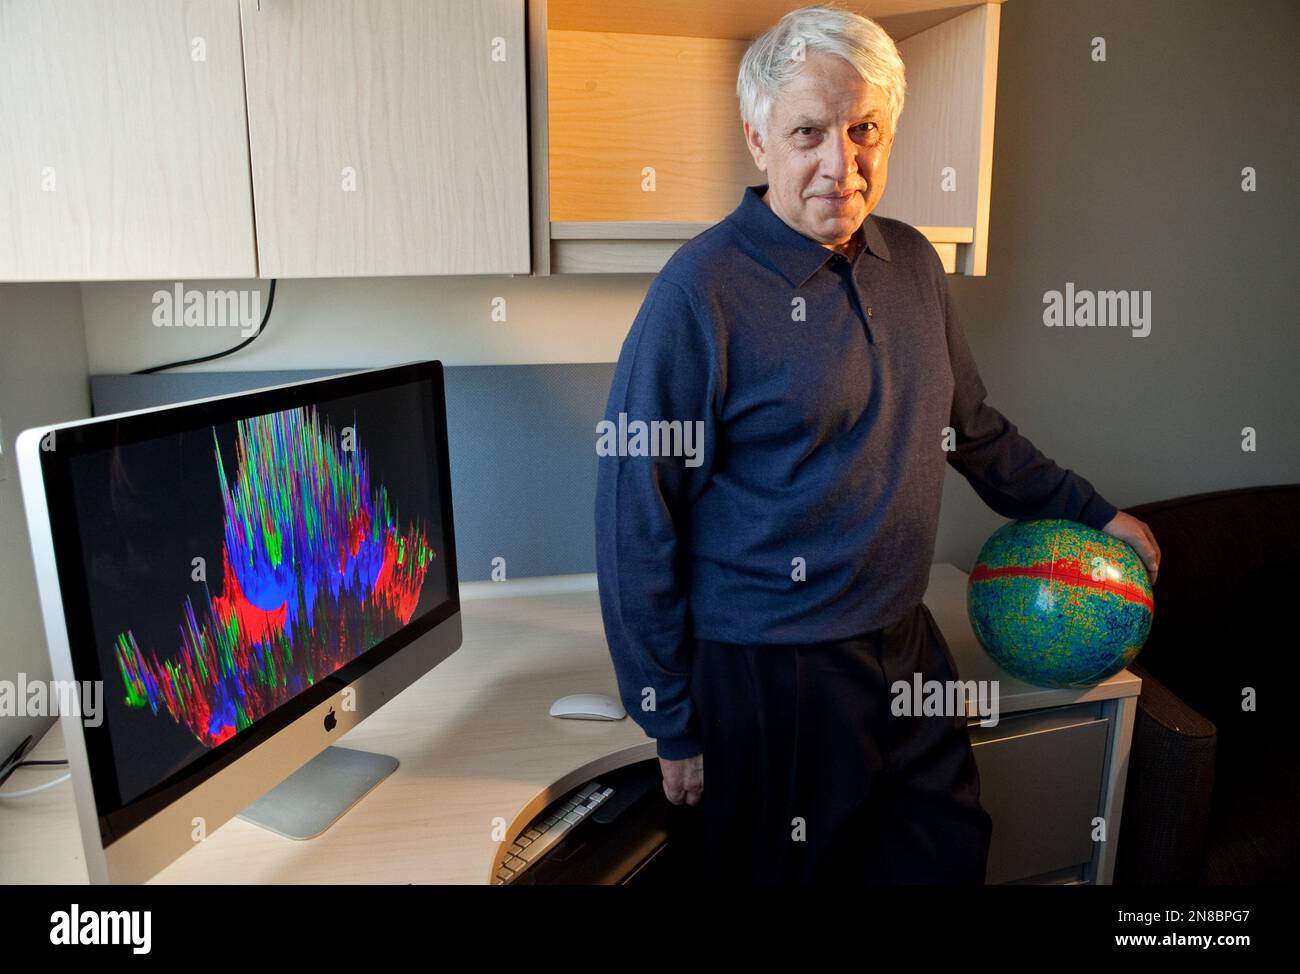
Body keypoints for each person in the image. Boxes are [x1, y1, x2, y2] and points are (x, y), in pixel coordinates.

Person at [593, 4, 1160, 885]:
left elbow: (975, 432)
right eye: (809, 132)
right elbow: (636, 519)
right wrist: (669, 717)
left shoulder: (913, 264)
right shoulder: (697, 293)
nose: (841, 164)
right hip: (768, 678)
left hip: (903, 644)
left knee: (948, 855)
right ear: (759, 140)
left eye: (865, 130)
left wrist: (1094, 513)